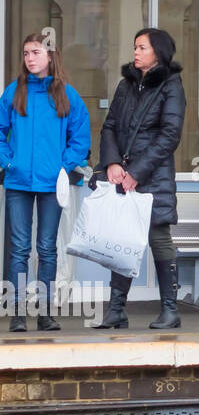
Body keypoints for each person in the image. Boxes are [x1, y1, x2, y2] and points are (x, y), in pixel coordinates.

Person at [92, 28, 186, 330]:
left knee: (158, 239)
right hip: (123, 176)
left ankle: (170, 310)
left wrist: (137, 172)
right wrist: (111, 164)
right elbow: (110, 127)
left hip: (153, 177)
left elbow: (170, 134)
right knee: (122, 242)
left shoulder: (171, 85)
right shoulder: (126, 85)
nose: (135, 52)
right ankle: (117, 310)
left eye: (141, 47)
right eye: (135, 46)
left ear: (157, 52)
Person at [0, 35, 91, 331]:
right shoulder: (13, 92)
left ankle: (44, 312)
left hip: (54, 184)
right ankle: (16, 313)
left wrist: (63, 167)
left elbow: (80, 138)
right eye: (26, 53)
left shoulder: (67, 95)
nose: (30, 58)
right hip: (18, 183)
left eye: (35, 52)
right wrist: (8, 161)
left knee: (48, 248)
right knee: (18, 248)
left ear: (50, 56)